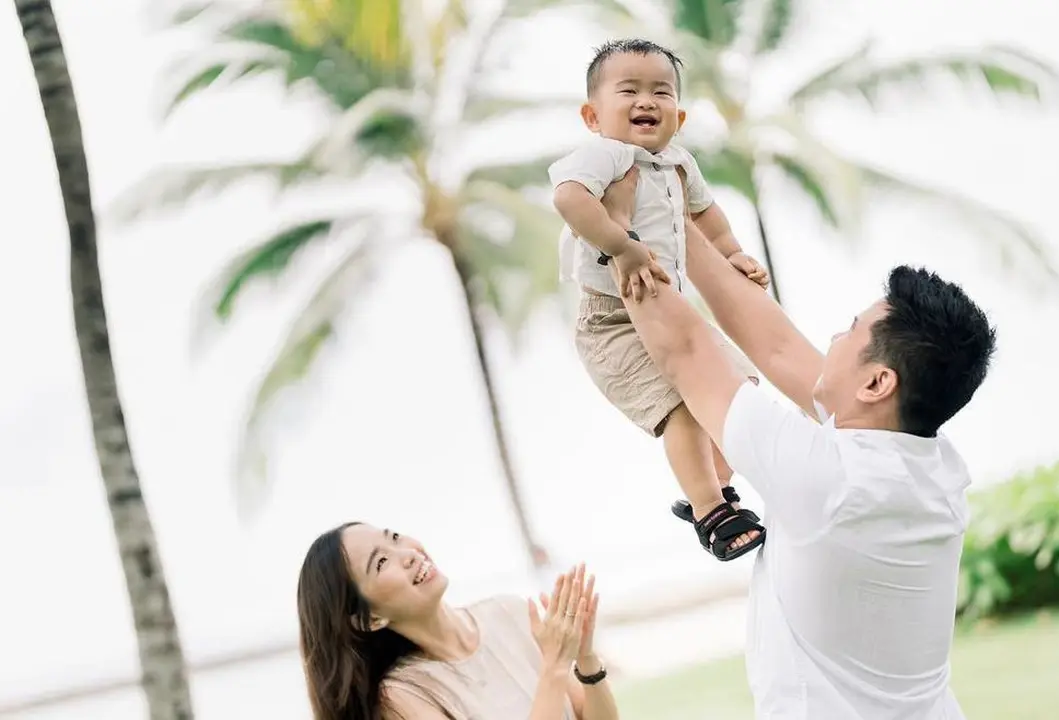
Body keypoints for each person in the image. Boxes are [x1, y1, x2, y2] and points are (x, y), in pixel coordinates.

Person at [600, 169, 997, 719]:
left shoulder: (831, 481)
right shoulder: (930, 465)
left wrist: (618, 239)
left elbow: (686, 351)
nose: (832, 339)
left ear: (877, 383)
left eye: (849, 331)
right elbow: (778, 346)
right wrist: (666, 199)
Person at [547, 38, 769, 562]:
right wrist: (620, 247)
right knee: (680, 409)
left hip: (670, 311)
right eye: (629, 90)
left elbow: (707, 214)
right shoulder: (605, 154)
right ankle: (712, 511)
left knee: (739, 389)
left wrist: (733, 252)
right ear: (592, 115)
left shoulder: (677, 163)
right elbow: (568, 197)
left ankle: (708, 489)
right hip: (613, 320)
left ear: (680, 115)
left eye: (661, 92)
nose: (647, 101)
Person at [296, 522, 619, 720]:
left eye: (394, 537)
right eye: (381, 562)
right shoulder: (402, 696)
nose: (406, 553)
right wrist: (555, 665)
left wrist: (586, 658)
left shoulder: (510, 613)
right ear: (369, 619)